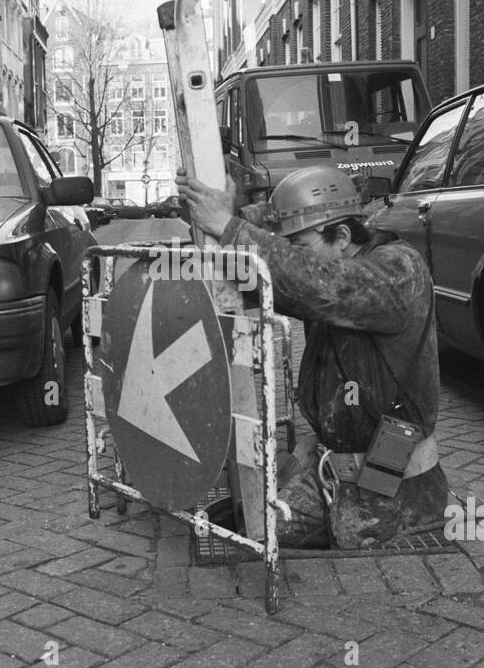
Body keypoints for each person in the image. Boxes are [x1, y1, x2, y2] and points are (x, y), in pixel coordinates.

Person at [178, 165, 450, 549]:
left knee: (329, 537)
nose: (293, 257)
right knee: (255, 525)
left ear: (341, 236)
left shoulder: (399, 271)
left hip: (395, 477)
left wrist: (230, 228)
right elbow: (281, 274)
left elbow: (310, 279)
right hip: (340, 465)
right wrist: (207, 211)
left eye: (300, 247)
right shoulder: (340, 264)